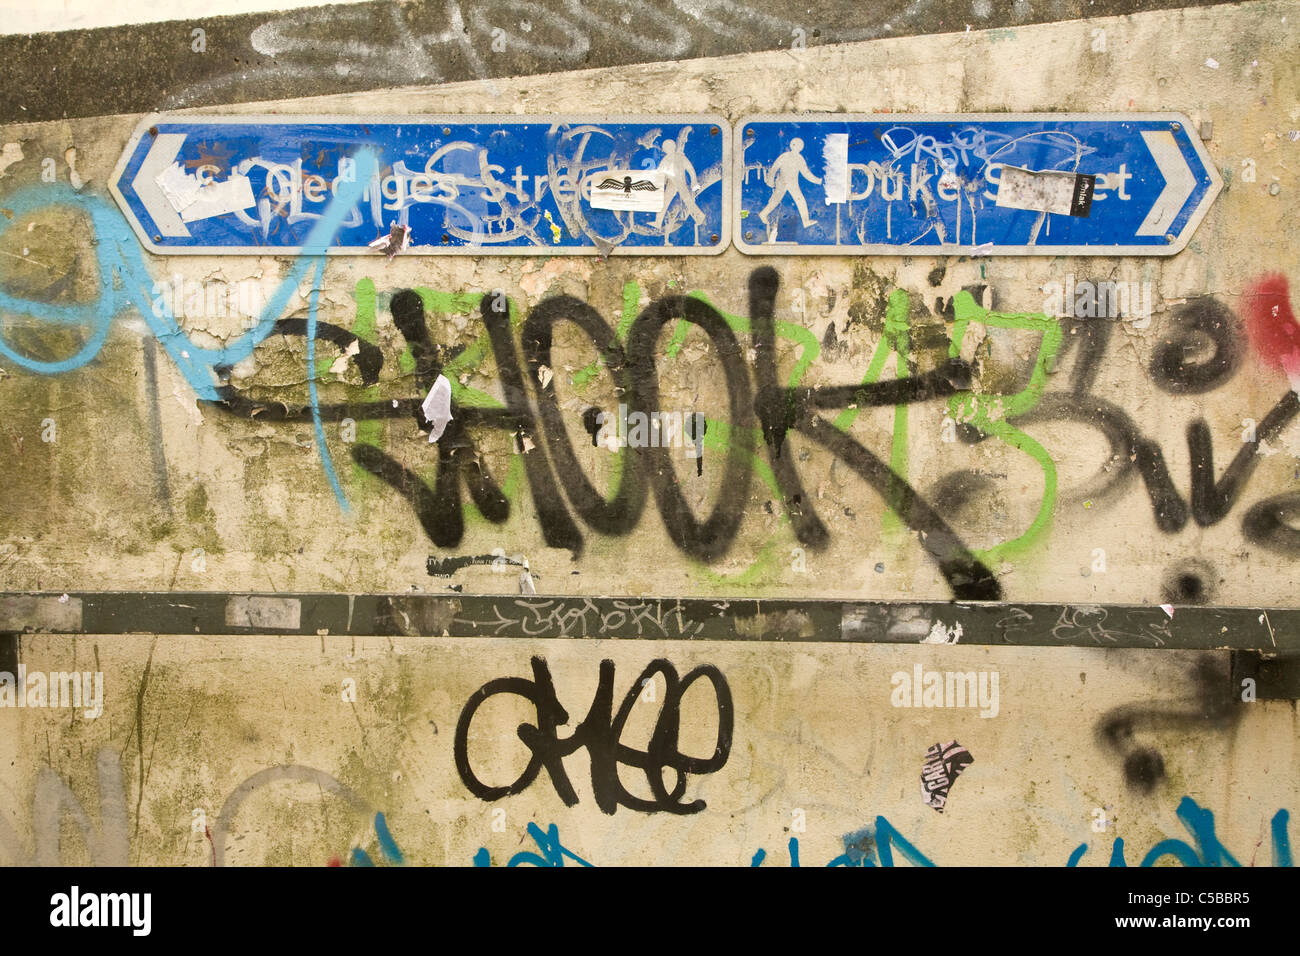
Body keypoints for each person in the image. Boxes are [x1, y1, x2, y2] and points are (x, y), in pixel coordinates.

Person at [758, 138, 820, 228]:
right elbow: (774, 168)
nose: (797, 147)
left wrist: (817, 180)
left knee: (800, 200)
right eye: (795, 145)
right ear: (791, 145)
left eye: (799, 145)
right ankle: (763, 214)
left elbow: (806, 173)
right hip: (782, 183)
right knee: (776, 201)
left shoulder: (798, 158)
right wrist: (770, 180)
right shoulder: (787, 156)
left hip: (792, 184)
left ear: (801, 147)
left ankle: (806, 221)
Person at [652, 138, 706, 231]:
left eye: (666, 147)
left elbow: (690, 169)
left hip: (680, 182)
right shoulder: (667, 158)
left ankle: (699, 215)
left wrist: (694, 182)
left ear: (671, 147)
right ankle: (658, 222)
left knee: (687, 200)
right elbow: (660, 171)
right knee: (665, 202)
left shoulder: (680, 157)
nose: (665, 149)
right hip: (671, 183)